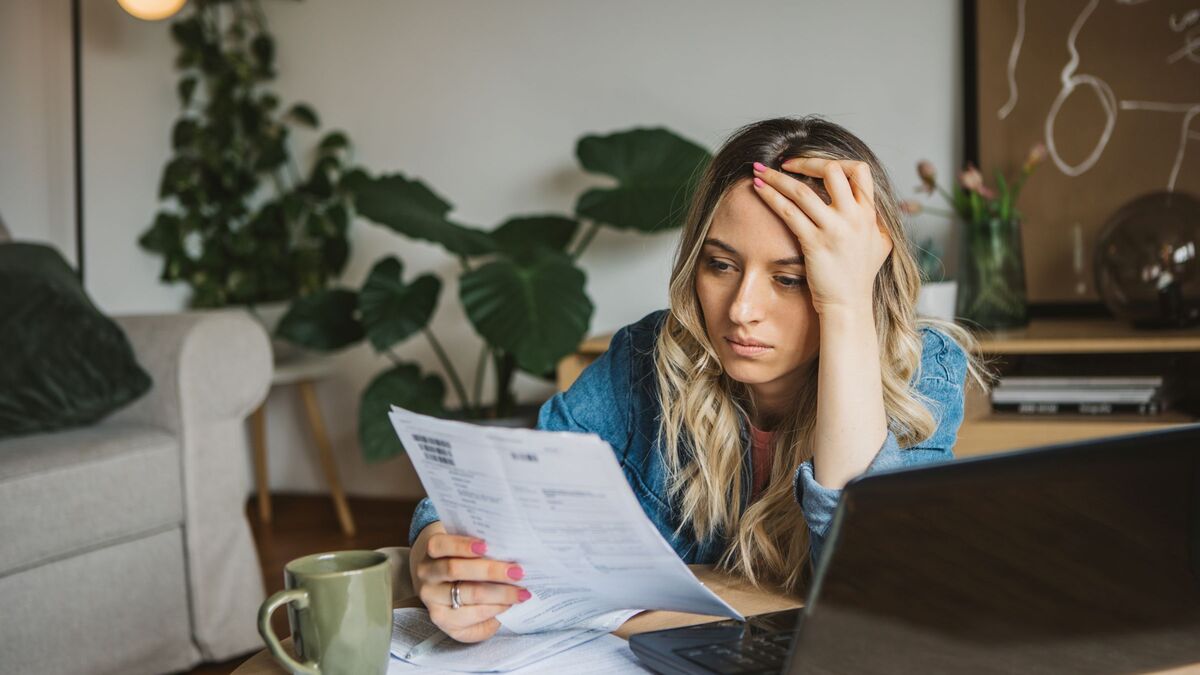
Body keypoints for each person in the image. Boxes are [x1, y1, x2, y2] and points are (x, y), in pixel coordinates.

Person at [406, 115, 991, 643]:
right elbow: (497, 495)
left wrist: (844, 309)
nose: (741, 309)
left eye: (789, 278)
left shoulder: (923, 370)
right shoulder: (646, 357)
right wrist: (437, 555)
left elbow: (872, 578)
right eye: (721, 265)